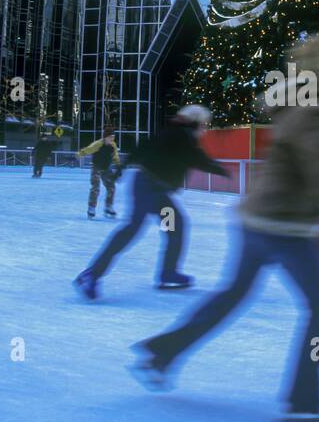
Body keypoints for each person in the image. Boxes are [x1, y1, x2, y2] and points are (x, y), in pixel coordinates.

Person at [131, 35, 319, 422]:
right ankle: (305, 398)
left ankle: (159, 353)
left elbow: (318, 168)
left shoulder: (300, 102)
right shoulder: (313, 109)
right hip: (283, 226)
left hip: (257, 223)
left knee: (231, 295)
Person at [74, 105, 228, 298]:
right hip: (147, 188)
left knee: (174, 226)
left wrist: (122, 168)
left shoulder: (177, 133)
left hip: (158, 193)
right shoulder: (180, 135)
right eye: (203, 123)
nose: (204, 128)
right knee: (132, 228)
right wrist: (221, 170)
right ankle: (90, 275)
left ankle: (168, 273)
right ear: (195, 121)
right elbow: (194, 157)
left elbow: (144, 147)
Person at [78, 126, 121, 218]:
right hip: (96, 167)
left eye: (113, 137)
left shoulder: (113, 145)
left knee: (111, 187)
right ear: (105, 137)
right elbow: (89, 149)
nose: (112, 139)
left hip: (107, 168)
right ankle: (91, 208)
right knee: (95, 187)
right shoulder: (98, 144)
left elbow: (115, 156)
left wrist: (118, 165)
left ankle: (108, 207)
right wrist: (80, 153)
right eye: (110, 137)